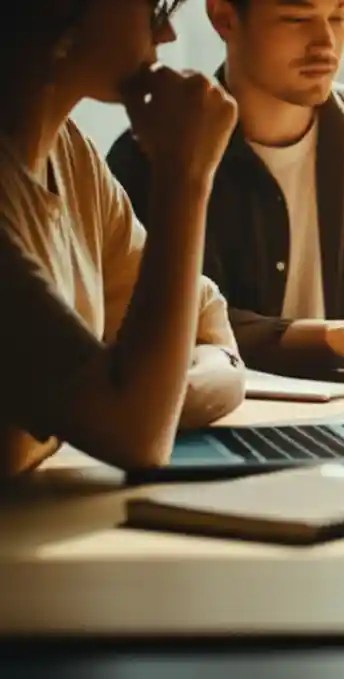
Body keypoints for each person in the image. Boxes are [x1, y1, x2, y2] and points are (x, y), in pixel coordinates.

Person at [108, 0, 344, 380]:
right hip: (228, 417)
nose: (325, 42)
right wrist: (342, 337)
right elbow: (174, 330)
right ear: (224, 18)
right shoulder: (157, 154)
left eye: (338, 16)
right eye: (296, 19)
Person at [0, 0, 244, 476]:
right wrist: (184, 176)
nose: (169, 36)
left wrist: (160, 391)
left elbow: (207, 325)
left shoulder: (71, 156)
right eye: (153, 10)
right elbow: (138, 434)